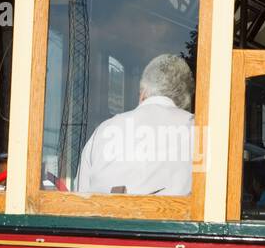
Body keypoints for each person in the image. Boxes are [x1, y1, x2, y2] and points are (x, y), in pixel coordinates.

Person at [76, 53, 195, 195]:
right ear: (186, 99)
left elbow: (79, 197)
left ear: (143, 93)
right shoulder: (197, 130)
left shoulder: (104, 131)